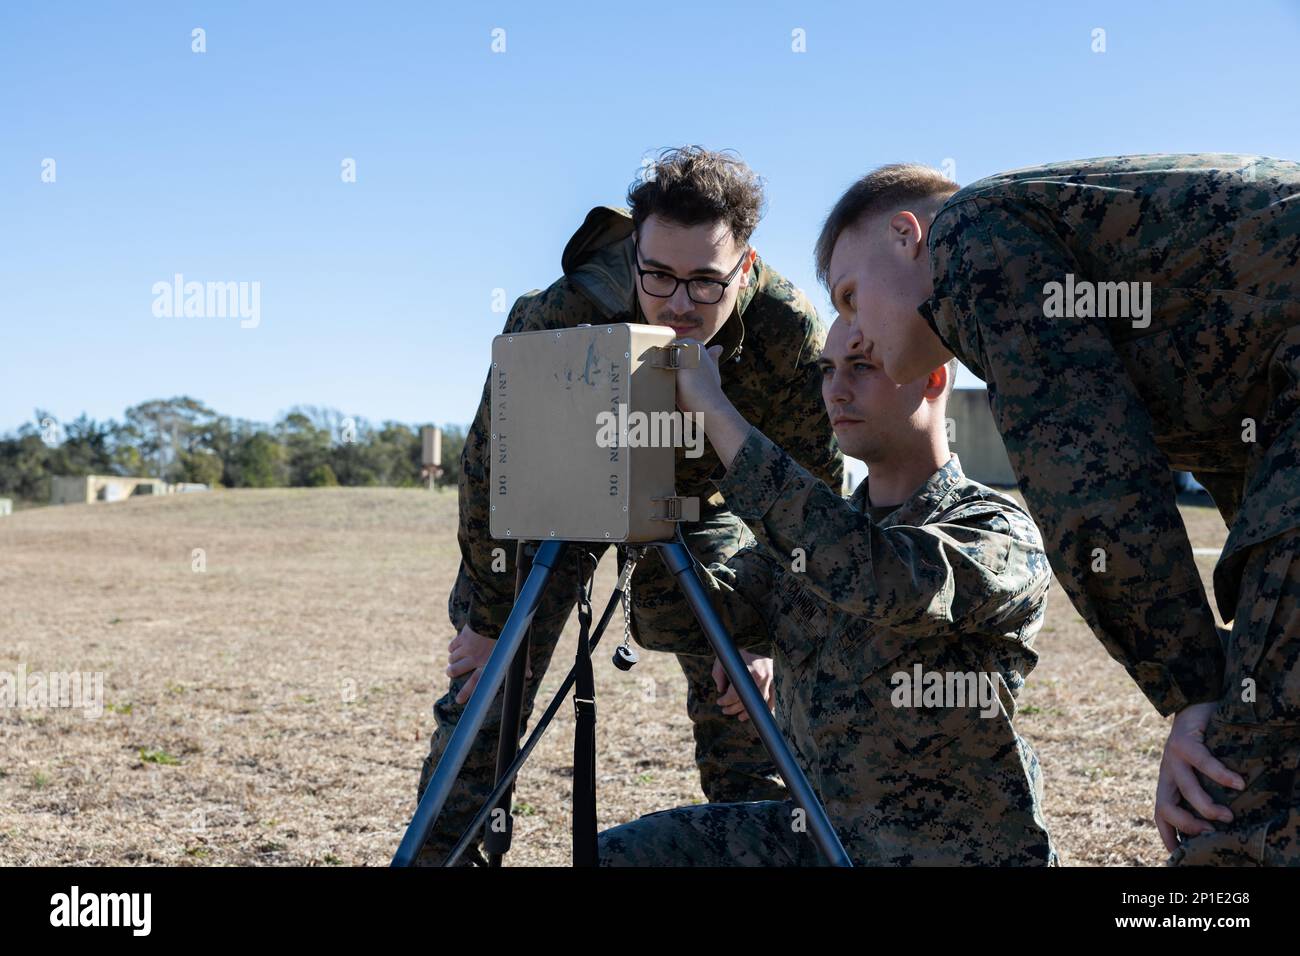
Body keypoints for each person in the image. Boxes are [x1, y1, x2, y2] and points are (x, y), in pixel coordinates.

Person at [822, 155, 1300, 865]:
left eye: (851, 295)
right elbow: (1248, 459)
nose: (851, 332)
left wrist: (1199, 696)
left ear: (906, 234)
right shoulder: (1052, 232)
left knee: (1239, 798)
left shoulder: (973, 240)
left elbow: (1089, 477)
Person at [414, 146, 842, 865]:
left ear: (746, 264)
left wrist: (770, 632)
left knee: (747, 699)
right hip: (567, 491)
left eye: (706, 282)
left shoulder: (787, 332)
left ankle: (762, 850)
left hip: (702, 505)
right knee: (484, 704)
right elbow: (494, 469)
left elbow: (811, 495)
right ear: (636, 250)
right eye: (659, 276)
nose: (678, 303)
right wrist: (489, 625)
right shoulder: (563, 313)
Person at [598, 315, 1057, 865]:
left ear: (933, 378)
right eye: (827, 369)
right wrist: (646, 476)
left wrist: (719, 414)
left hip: (951, 854)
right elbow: (674, 620)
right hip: (822, 839)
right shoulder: (812, 538)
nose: (836, 390)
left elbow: (876, 578)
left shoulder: (996, 530)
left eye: (862, 366)